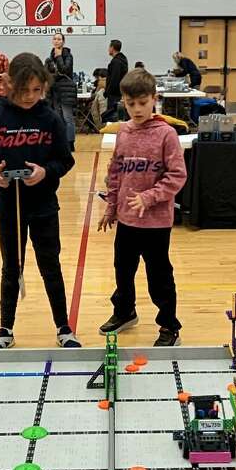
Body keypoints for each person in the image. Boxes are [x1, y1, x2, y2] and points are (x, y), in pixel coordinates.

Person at [0, 53, 80, 350]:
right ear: (10, 85)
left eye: (37, 90)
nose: (30, 97)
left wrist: (46, 172)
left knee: (51, 265)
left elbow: (65, 160)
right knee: (12, 267)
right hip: (10, 208)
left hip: (45, 206)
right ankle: (5, 329)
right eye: (24, 91)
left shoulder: (50, 118)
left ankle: (64, 327)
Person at [96, 68, 187, 346]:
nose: (136, 109)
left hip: (156, 223)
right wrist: (111, 207)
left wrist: (148, 197)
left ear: (154, 99)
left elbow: (177, 176)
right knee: (123, 271)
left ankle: (169, 325)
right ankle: (125, 312)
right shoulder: (123, 132)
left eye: (142, 103)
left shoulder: (166, 134)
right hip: (126, 221)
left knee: (158, 276)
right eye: (130, 103)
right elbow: (115, 173)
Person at [45, 53, 77, 149]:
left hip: (64, 91)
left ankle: (70, 143)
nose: (56, 41)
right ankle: (62, 142)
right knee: (59, 119)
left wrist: (59, 57)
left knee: (68, 119)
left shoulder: (68, 58)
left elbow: (65, 70)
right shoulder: (49, 60)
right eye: (55, 39)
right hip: (55, 93)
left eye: (59, 39)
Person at [105, 39, 128, 122]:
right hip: (119, 93)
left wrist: (107, 92)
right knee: (119, 116)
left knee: (113, 117)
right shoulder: (122, 60)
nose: (108, 49)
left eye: (109, 47)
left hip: (114, 94)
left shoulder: (116, 62)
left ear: (112, 48)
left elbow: (114, 79)